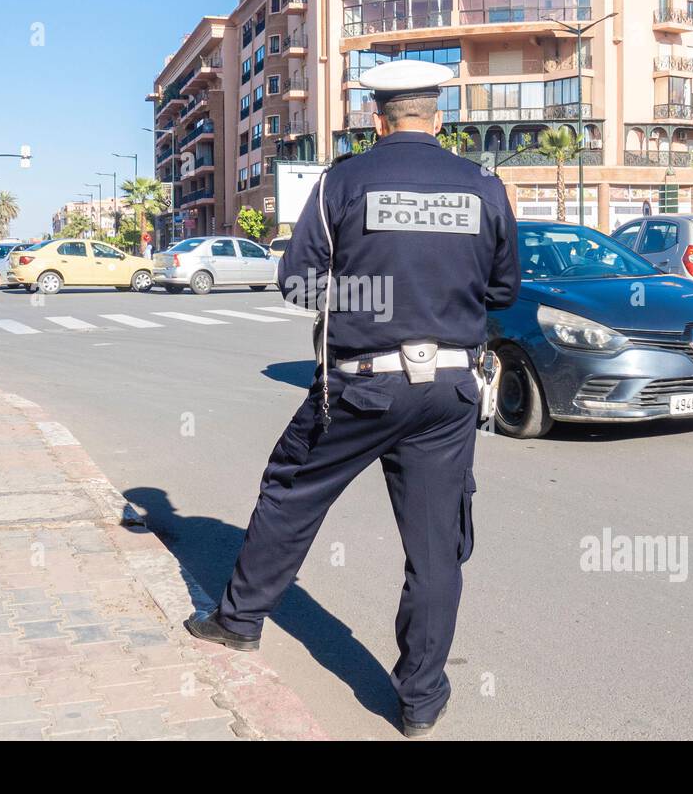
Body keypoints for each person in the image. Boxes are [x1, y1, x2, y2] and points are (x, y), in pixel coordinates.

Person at [185, 60, 519, 738]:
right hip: (450, 388)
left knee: (291, 493)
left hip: (361, 384)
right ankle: (420, 702)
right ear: (439, 118)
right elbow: (504, 288)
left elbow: (300, 283)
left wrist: (370, 301)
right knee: (435, 547)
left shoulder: (344, 179)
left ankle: (240, 621)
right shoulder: (484, 185)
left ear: (378, 118)